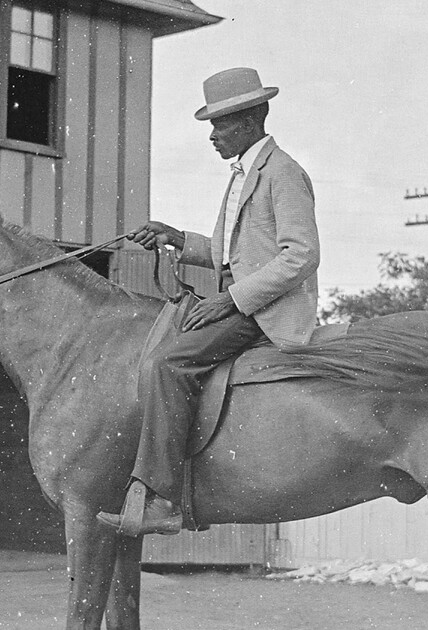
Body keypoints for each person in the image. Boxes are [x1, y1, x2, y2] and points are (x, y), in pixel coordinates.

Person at [96, 67, 321, 536]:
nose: (213, 136)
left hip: (267, 312)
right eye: (212, 125)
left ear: (253, 118)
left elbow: (301, 254)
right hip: (243, 303)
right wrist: (177, 237)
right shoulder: (243, 172)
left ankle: (161, 500)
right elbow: (231, 254)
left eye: (221, 124)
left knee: (168, 364)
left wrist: (232, 301)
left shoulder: (282, 173)